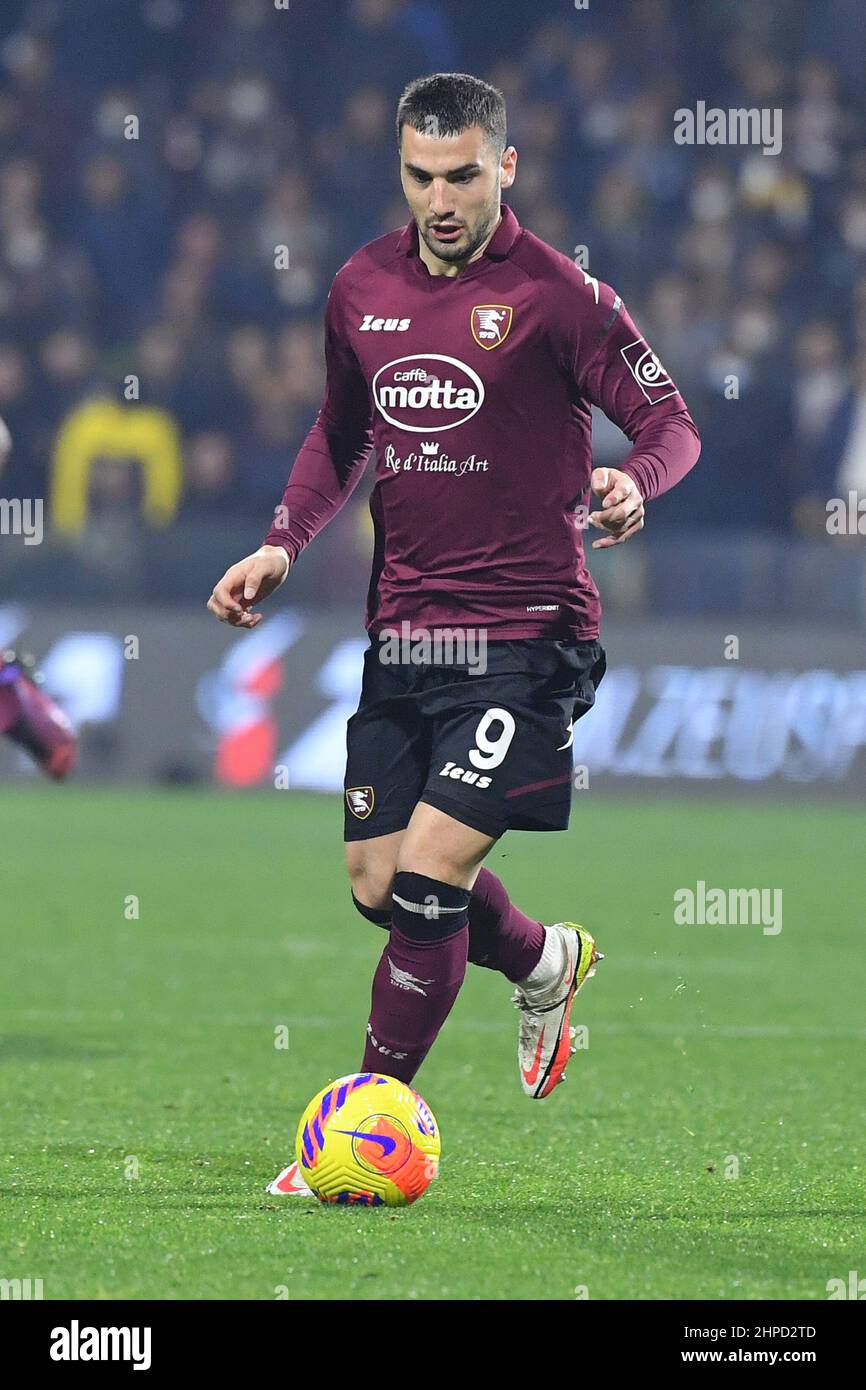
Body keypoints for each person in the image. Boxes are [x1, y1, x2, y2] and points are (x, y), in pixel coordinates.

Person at [206, 72, 700, 1197]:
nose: (441, 197)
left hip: (530, 637)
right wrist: (282, 542)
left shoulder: (561, 296)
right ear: (401, 169)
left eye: (463, 174)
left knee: (427, 884)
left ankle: (361, 1131)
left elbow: (668, 423)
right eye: (421, 175)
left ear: (505, 167)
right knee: (376, 882)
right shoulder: (359, 286)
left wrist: (635, 487)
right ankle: (543, 959)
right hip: (404, 635)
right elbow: (338, 437)